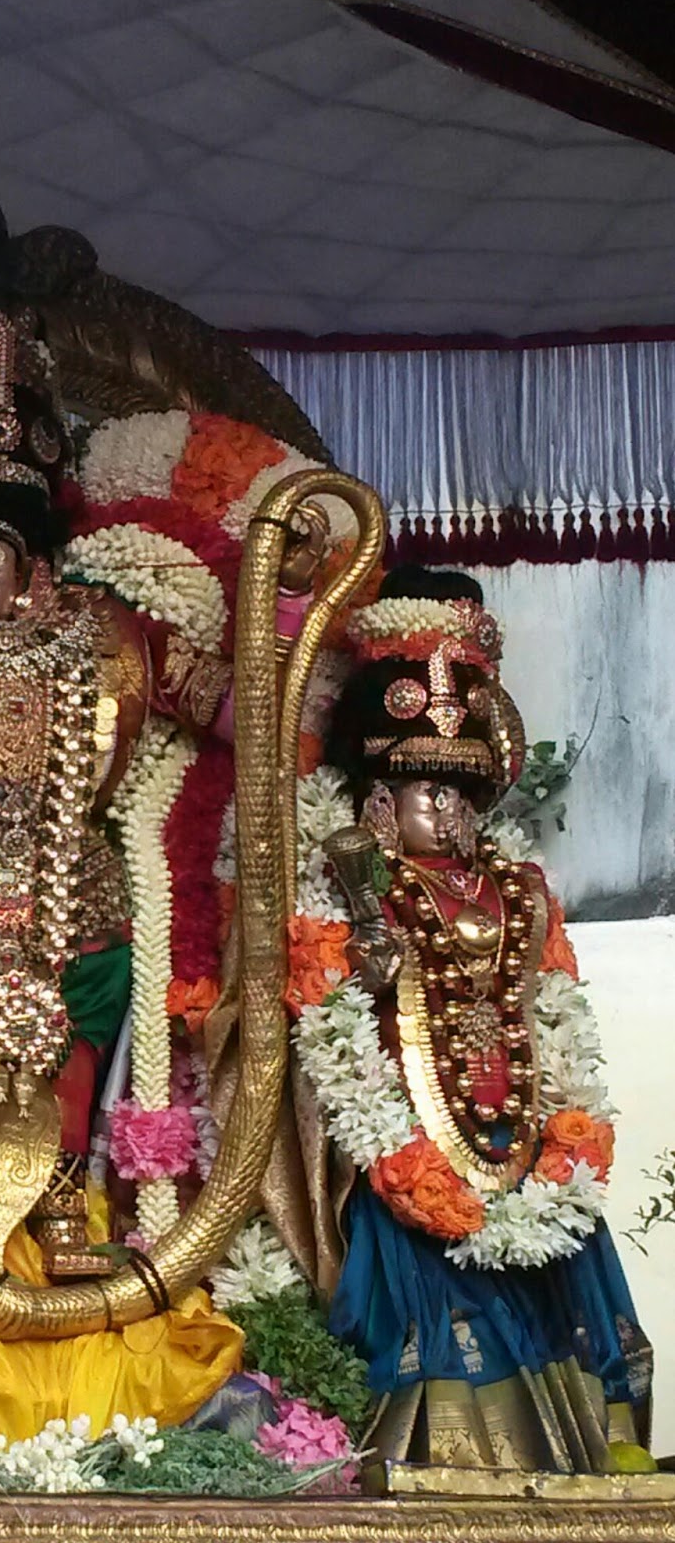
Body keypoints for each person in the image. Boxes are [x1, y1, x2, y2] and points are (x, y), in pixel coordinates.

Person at [0, 311, 316, 1449]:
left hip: (78, 921)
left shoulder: (106, 632)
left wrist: (288, 616)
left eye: (1, 549)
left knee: (64, 1136)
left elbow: (242, 708)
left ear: (37, 547)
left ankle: (70, 1270)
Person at [319, 565, 652, 1471]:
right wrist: (373, 958)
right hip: (413, 1126)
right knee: (437, 1313)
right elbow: (341, 1010)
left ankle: (574, 1465)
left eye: (463, 794)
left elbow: (549, 1004)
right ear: (382, 804)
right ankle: (446, 1469)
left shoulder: (518, 888)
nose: (451, 813)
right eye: (430, 793)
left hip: (524, 1126)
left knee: (554, 1278)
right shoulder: (366, 887)